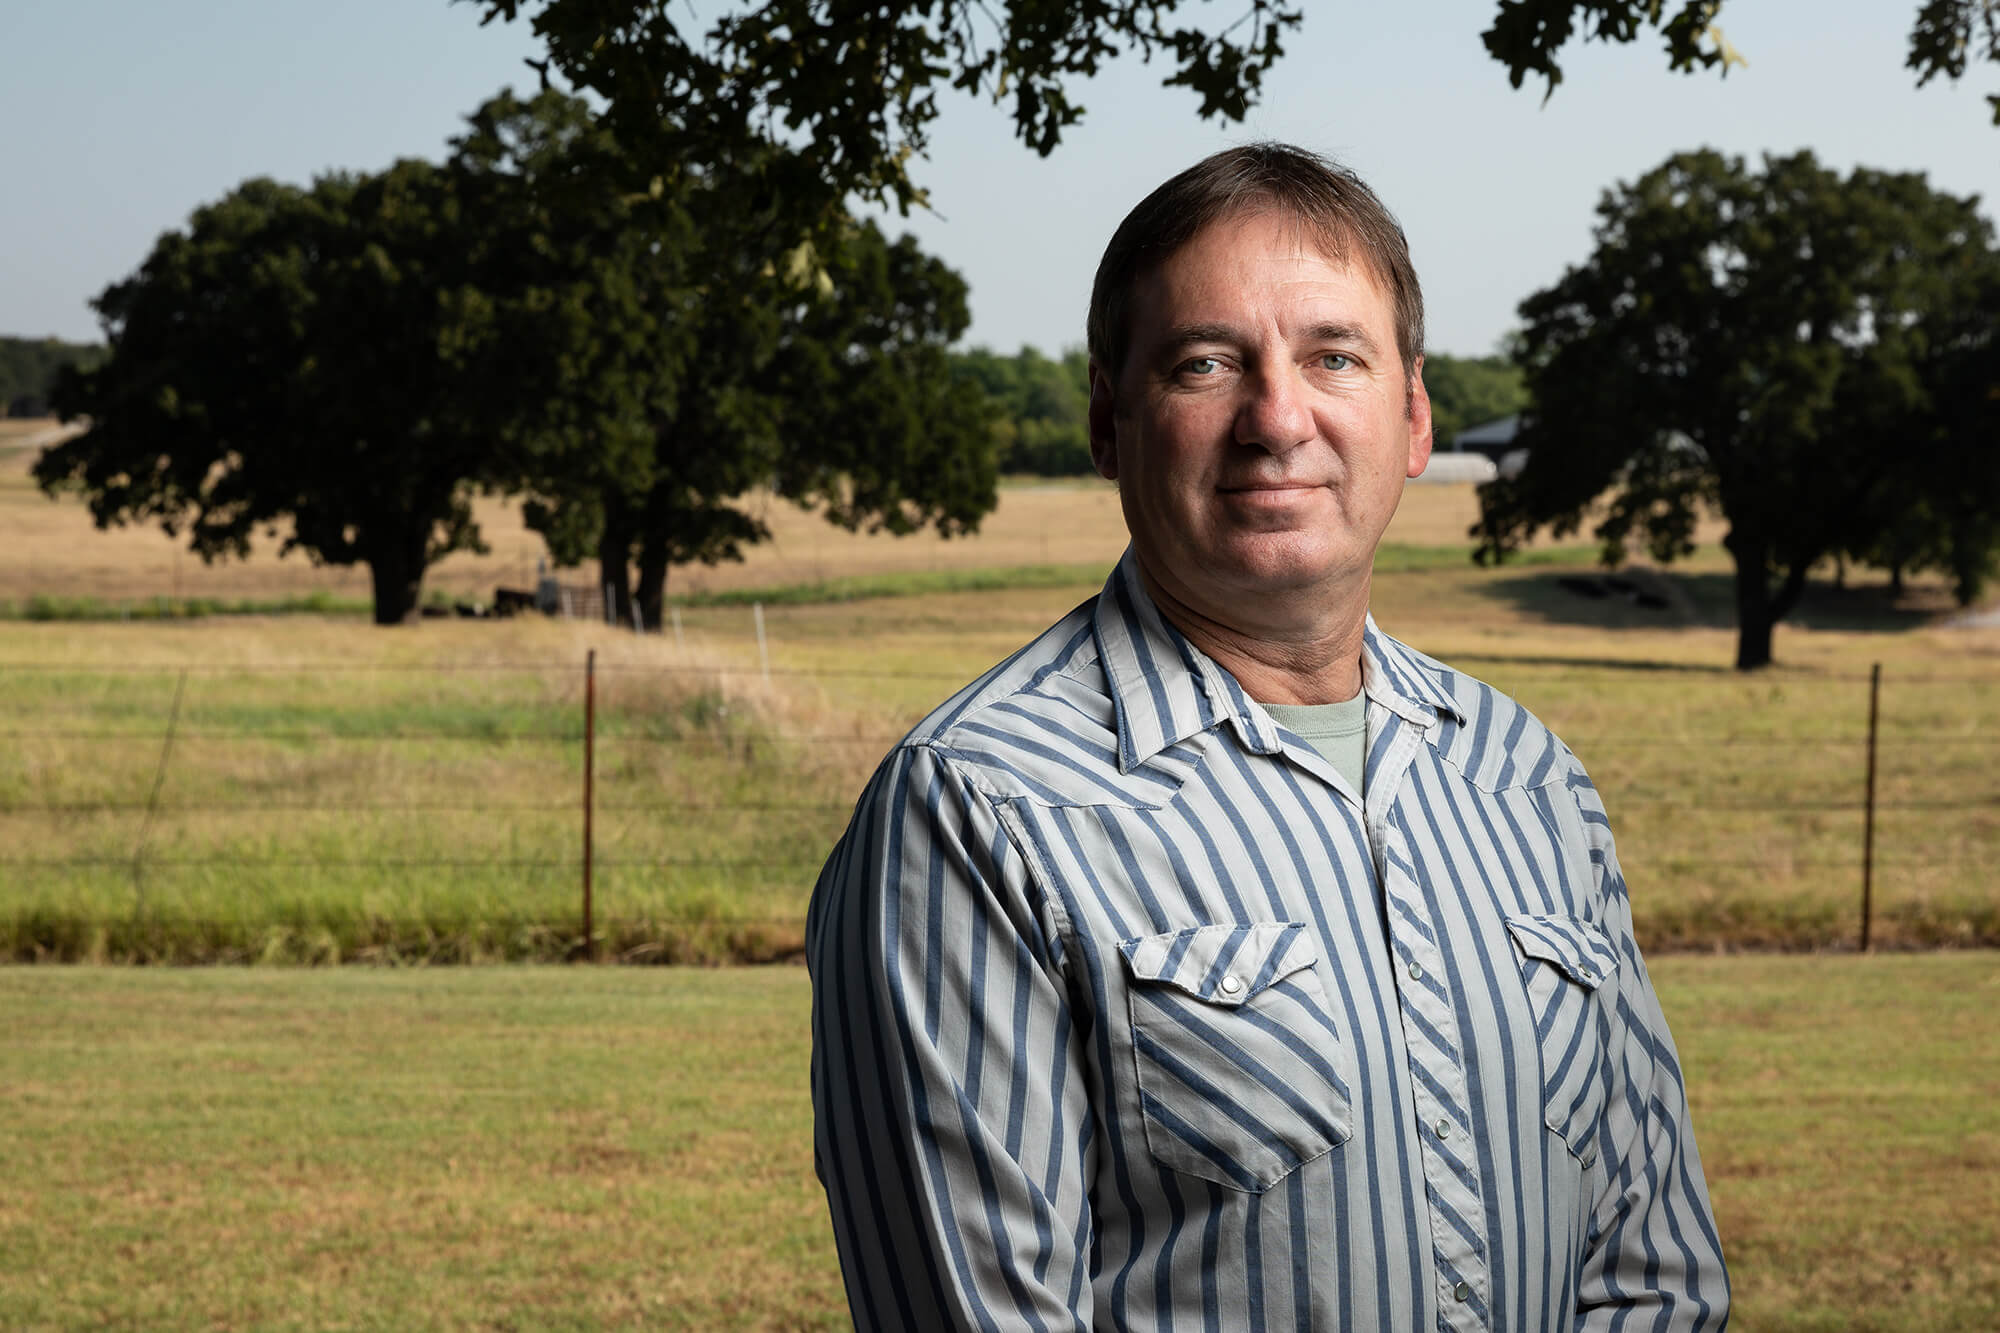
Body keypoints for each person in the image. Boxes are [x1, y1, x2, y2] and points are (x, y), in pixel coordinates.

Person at [806, 143, 1728, 1332]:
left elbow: (1653, 1275)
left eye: (1333, 357)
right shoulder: (977, 810)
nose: (1275, 418)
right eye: (1205, 363)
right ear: (1107, 420)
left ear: (1407, 420)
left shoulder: (1526, 779)